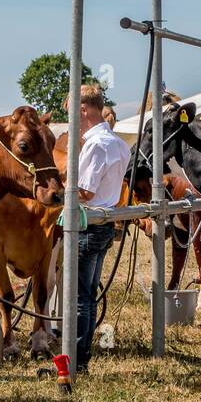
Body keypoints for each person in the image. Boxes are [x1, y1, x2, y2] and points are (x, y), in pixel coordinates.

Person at [72, 83, 131, 373]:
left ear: (84, 110)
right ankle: (82, 357)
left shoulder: (96, 145)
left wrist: (61, 189)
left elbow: (85, 192)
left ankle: (77, 360)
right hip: (107, 224)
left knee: (80, 296)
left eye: (73, 112)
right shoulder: (119, 144)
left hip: (89, 225)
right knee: (89, 293)